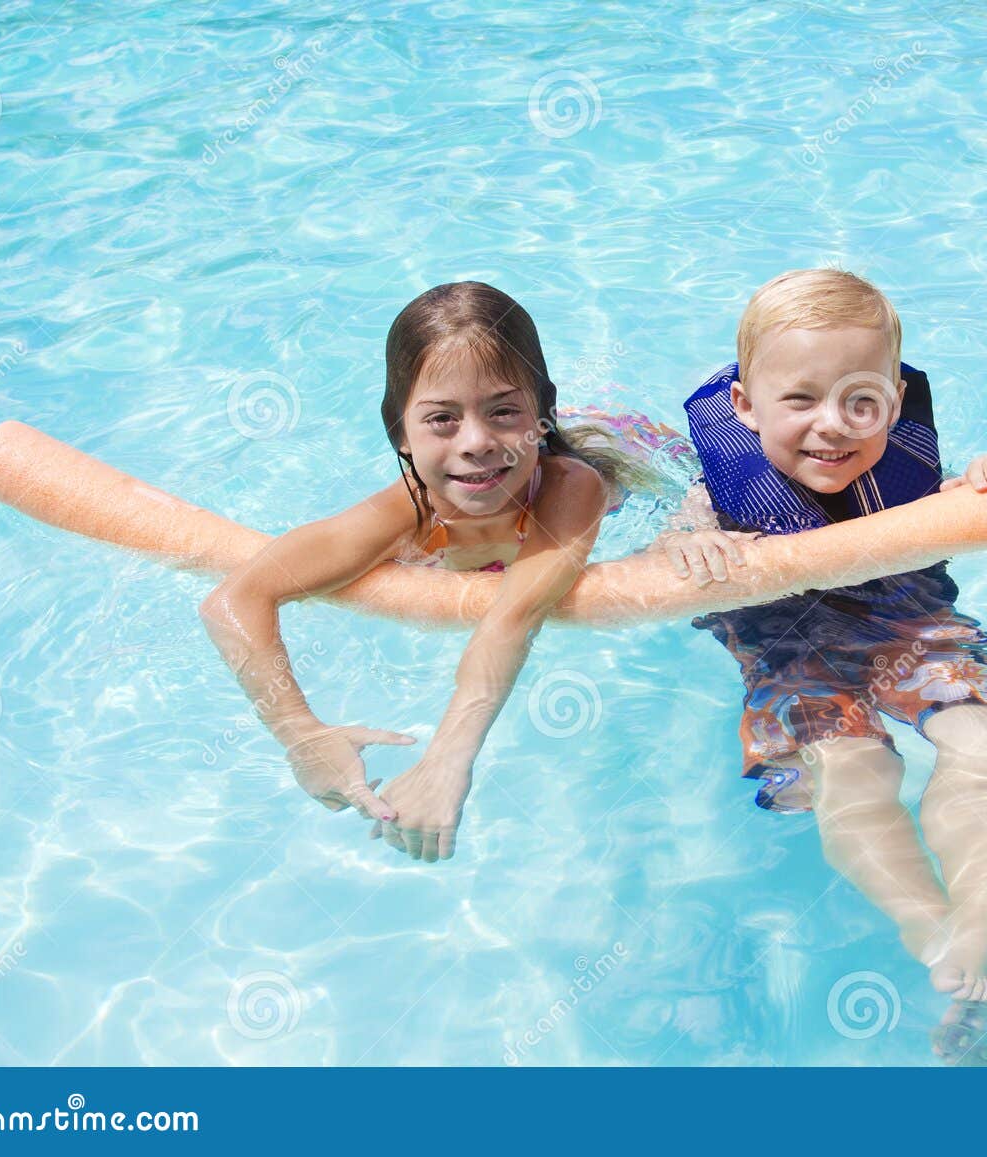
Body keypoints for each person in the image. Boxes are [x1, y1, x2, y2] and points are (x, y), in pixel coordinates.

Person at [659, 268, 987, 1034]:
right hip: (791, 652)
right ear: (744, 405)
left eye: (860, 401)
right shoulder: (713, 499)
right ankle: (932, 934)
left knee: (980, 749)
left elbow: (968, 497)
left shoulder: (914, 477)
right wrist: (693, 549)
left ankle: (976, 919)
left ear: (894, 405)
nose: (832, 424)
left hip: (913, 624)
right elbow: (675, 549)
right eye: (799, 399)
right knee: (855, 775)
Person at [201, 281, 676, 862]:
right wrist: (300, 733)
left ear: (541, 414)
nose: (476, 442)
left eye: (503, 410)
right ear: (400, 432)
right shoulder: (399, 519)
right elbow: (234, 600)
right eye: (441, 420)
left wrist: (446, 758)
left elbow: (513, 616)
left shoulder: (572, 487)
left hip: (626, 449)